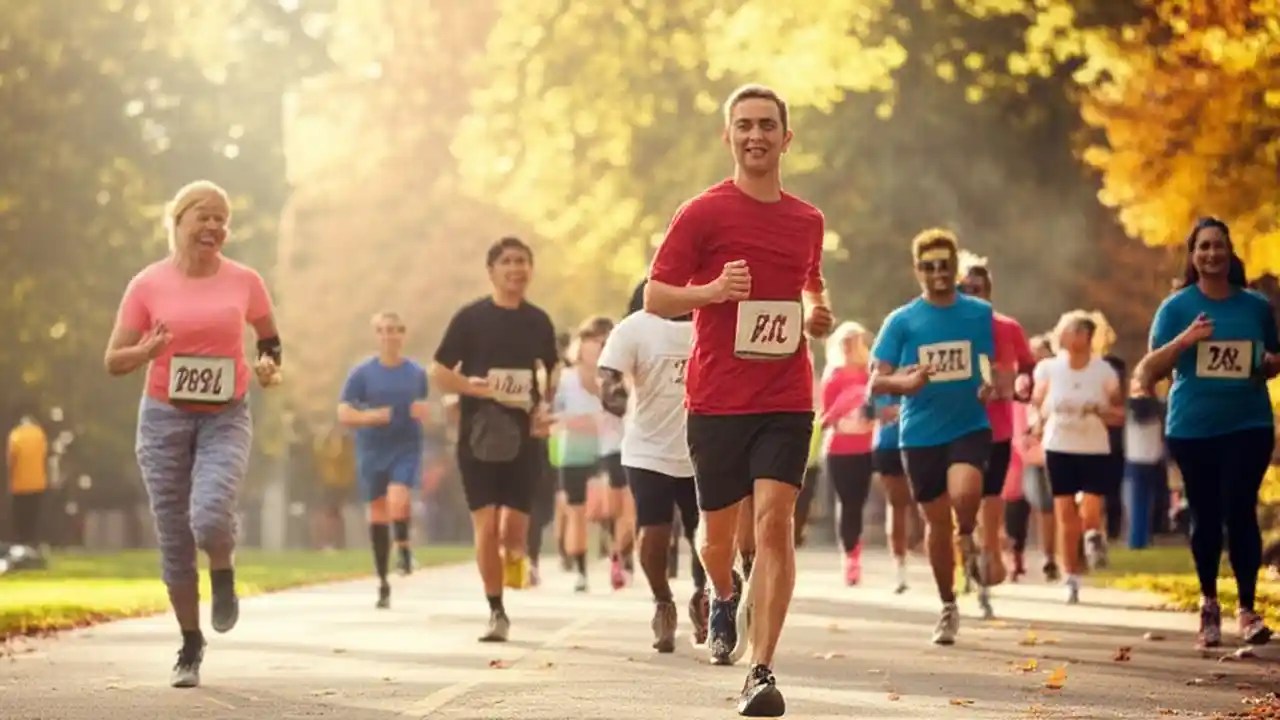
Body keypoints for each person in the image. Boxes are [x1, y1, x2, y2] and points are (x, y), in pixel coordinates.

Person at [645, 83, 834, 717]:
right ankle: (723, 594)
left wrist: (816, 309)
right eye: (744, 125)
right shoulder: (702, 213)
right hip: (719, 398)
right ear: (728, 136)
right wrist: (712, 291)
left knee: (775, 523)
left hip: (786, 393)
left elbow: (810, 281)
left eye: (767, 125)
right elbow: (656, 296)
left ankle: (762, 671)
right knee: (717, 542)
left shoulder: (808, 219)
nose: (756, 135)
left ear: (787, 137)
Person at [103, 180, 282, 688]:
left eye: (222, 218)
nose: (214, 226)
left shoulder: (245, 280)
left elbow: (269, 340)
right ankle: (190, 642)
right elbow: (113, 359)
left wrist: (268, 367)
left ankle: (223, 570)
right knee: (175, 538)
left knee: (208, 516)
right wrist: (147, 351)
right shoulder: (147, 285)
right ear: (178, 221)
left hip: (225, 415)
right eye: (203, 216)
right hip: (162, 417)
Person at [1132, 216, 1279, 647]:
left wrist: (1270, 365)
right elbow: (1147, 371)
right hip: (1193, 428)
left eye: (1219, 246)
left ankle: (1248, 611)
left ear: (1230, 252)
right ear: (1193, 256)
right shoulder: (1176, 307)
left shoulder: (1255, 307)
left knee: (1241, 509)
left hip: (1248, 423)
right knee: (1206, 515)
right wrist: (1186, 340)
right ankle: (1209, 603)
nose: (1212, 254)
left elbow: (1270, 357)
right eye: (1203, 247)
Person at [429, 236, 558, 643]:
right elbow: (439, 370)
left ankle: (515, 565)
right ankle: (496, 609)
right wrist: (475, 387)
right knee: (486, 527)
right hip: (478, 436)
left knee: (513, 533)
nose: (516, 269)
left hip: (524, 438)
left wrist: (545, 404)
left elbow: (551, 369)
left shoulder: (538, 320)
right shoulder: (470, 319)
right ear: (492, 271)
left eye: (523, 261)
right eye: (507, 262)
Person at [869, 228, 994, 645]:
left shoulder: (978, 312)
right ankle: (948, 605)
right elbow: (876, 381)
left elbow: (985, 360)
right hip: (920, 433)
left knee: (964, 493)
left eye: (946, 265)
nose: (939, 273)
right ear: (917, 270)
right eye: (930, 266)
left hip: (968, 424)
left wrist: (989, 384)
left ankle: (969, 531)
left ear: (955, 267)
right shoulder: (901, 320)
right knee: (935, 524)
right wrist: (908, 383)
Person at [598, 279, 708, 651]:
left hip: (703, 448)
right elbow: (608, 380)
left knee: (706, 535)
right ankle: (663, 602)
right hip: (648, 449)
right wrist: (613, 391)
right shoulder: (635, 326)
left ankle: (703, 599)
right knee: (655, 531)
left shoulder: (712, 317)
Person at [337, 310, 430, 609]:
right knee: (377, 512)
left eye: (395, 330)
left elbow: (426, 407)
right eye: (384, 330)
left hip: (405, 445)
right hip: (372, 448)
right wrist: (371, 416)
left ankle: (403, 546)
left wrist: (425, 413)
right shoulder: (362, 373)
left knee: (398, 497)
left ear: (403, 334)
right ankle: (383, 582)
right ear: (377, 335)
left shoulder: (416, 373)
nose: (390, 335)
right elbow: (344, 412)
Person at [1032, 310, 1124, 605]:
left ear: (1087, 336)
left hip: (1093, 446)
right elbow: (1037, 404)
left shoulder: (1103, 372)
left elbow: (1119, 414)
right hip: (1058, 445)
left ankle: (1094, 535)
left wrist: (1098, 410)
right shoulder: (1048, 368)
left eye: (1071, 330)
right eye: (1063, 329)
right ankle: (1071, 577)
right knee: (1065, 514)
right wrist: (1036, 422)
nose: (1063, 335)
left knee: (1091, 509)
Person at [958, 259, 1036, 599]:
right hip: (959, 426)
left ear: (989, 292)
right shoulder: (952, 328)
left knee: (991, 501)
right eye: (967, 290)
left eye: (979, 290)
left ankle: (988, 564)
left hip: (999, 428)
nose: (973, 295)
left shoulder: (1007, 327)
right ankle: (966, 559)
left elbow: (1029, 367)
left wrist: (1023, 385)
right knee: (963, 500)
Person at [551, 317, 612, 593]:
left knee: (605, 508)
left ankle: (616, 556)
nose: (593, 352)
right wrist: (573, 421)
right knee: (576, 512)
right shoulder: (565, 379)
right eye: (588, 346)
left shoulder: (610, 378)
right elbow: (554, 414)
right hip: (572, 453)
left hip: (603, 451)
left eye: (598, 346)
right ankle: (581, 571)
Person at [818, 322, 876, 585]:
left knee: (858, 502)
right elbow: (825, 418)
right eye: (844, 341)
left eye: (854, 340)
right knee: (846, 502)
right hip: (839, 449)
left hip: (865, 447)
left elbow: (881, 406)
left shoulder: (870, 374)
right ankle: (850, 559)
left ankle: (855, 552)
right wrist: (845, 405)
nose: (849, 346)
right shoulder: (833, 376)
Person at [1009, 335, 1059, 582]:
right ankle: (1016, 558)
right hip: (1023, 454)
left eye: (1041, 353)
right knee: (1017, 506)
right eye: (1033, 354)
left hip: (1053, 452)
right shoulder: (1021, 386)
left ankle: (1050, 557)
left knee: (1046, 506)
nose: (1036, 358)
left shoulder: (1057, 381)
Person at [7, 411, 49, 549]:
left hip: (19, 484)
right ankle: (32, 543)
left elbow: (11, 459)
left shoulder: (15, 435)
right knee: (33, 516)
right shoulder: (40, 434)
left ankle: (21, 543)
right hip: (37, 483)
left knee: (20, 516)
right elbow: (45, 455)